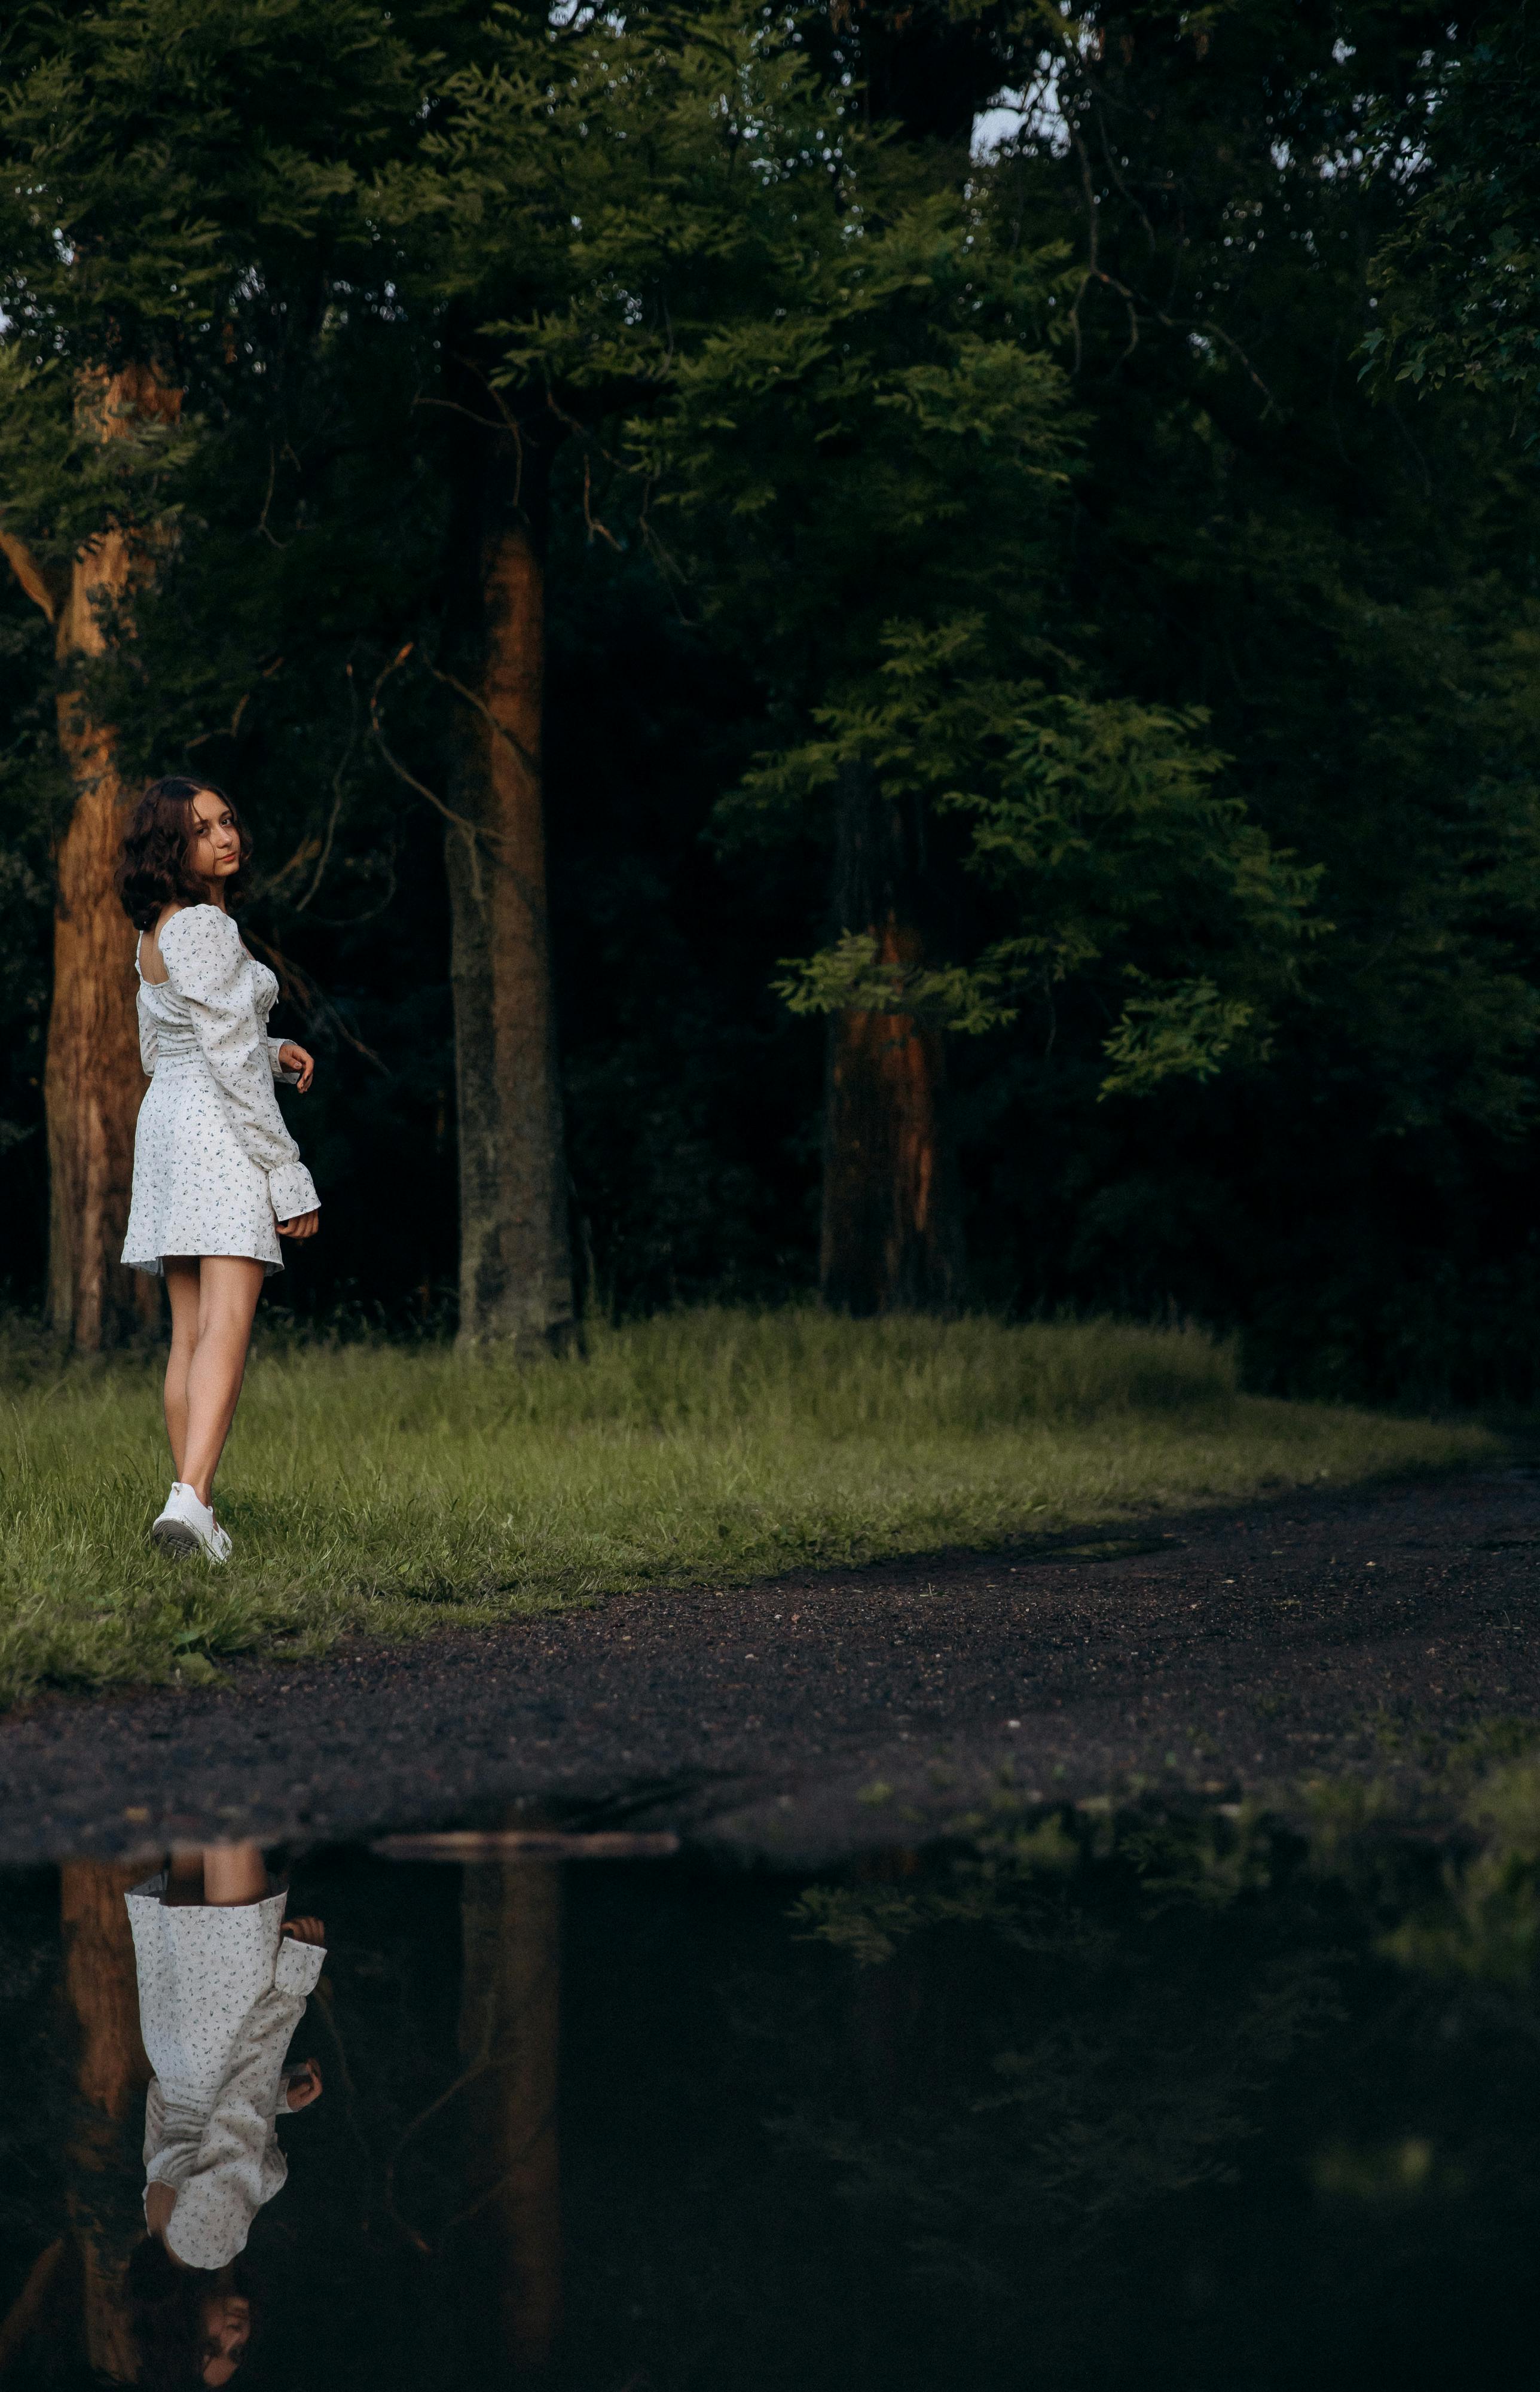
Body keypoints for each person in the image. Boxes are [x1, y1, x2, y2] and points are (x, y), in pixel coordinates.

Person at [115, 776, 320, 1564]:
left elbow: (175, 1044)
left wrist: (269, 1052)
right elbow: (225, 1059)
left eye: (227, 820)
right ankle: (193, 1501)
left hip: (169, 1125)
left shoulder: (158, 931)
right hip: (216, 1130)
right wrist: (287, 1171)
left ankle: (192, 1510)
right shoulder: (204, 925)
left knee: (191, 1333)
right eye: (201, 829)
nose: (224, 837)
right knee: (225, 1328)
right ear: (172, 847)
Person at [124, 1842, 327, 2387]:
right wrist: (281, 2101)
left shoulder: (205, 2246)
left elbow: (237, 2109)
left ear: (176, 2328)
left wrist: (293, 1989)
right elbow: (169, 2104)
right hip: (172, 2040)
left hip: (226, 2031)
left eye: (212, 2344)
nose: (237, 2335)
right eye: (236, 2353)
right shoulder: (159, 2230)